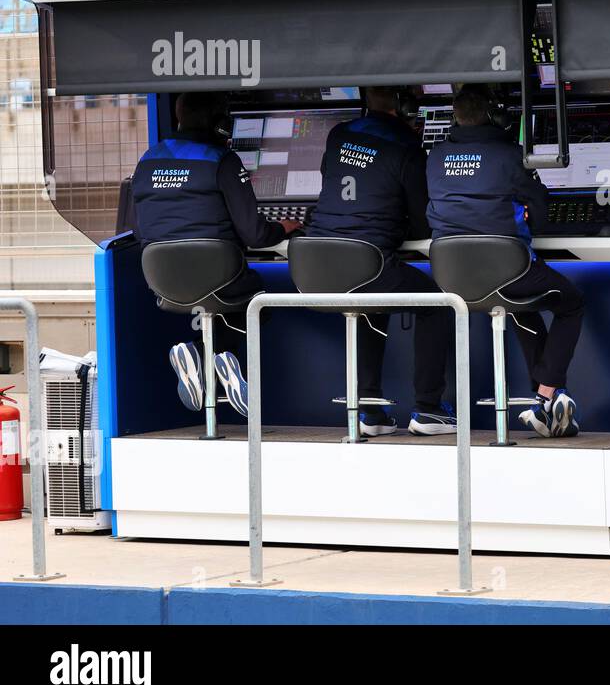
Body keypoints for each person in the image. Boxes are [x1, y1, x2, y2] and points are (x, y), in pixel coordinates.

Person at [426, 85, 584, 438]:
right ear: (496, 117)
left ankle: (548, 400)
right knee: (570, 303)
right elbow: (539, 212)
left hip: (452, 278)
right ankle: (547, 392)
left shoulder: (435, 157)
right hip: (507, 271)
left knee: (520, 306)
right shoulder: (509, 155)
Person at [131, 92, 298, 416]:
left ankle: (206, 361)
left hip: (161, 280)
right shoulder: (222, 160)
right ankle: (207, 353)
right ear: (221, 124)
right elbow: (255, 234)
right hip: (218, 273)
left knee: (233, 304)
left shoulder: (147, 159)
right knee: (256, 306)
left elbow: (139, 229)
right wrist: (287, 227)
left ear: (179, 116)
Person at [304, 85, 455, 437]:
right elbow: (421, 222)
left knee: (373, 301)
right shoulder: (407, 146)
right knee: (438, 303)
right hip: (365, 262)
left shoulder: (338, 134)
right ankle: (429, 409)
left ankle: (369, 410)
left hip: (313, 262)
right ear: (405, 104)